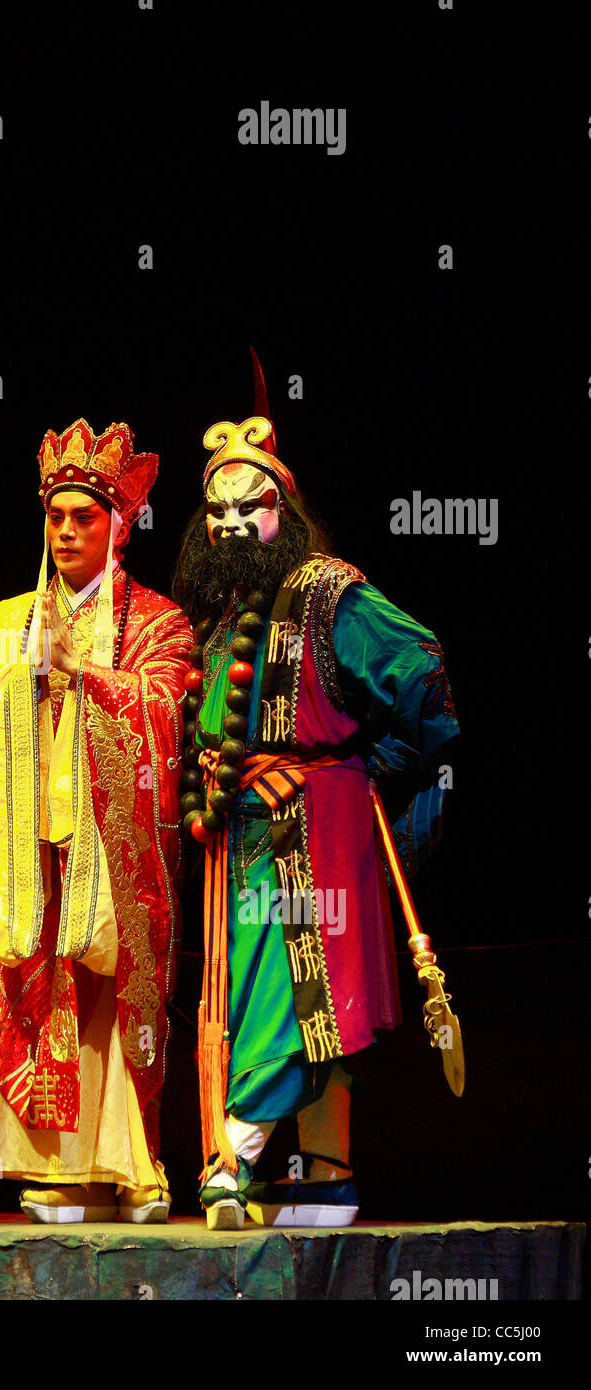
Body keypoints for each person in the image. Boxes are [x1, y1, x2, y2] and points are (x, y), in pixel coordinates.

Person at [171, 416, 460, 1229]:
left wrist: (380, 767)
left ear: (283, 512)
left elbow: (419, 664)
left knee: (289, 985)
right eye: (215, 509)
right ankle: (325, 1175)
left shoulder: (327, 588)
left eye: (249, 505)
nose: (230, 522)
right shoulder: (223, 611)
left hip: (311, 819)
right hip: (242, 826)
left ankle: (234, 1158)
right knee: (296, 1000)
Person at [0, 419, 192, 1223]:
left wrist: (82, 676)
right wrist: (20, 680)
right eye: (55, 516)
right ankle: (52, 1165)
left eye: (84, 517)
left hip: (116, 846)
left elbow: (165, 708)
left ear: (119, 525)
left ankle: (129, 1162)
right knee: (42, 989)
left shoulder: (155, 620)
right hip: (34, 841)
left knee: (115, 994)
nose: (66, 531)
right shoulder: (13, 616)